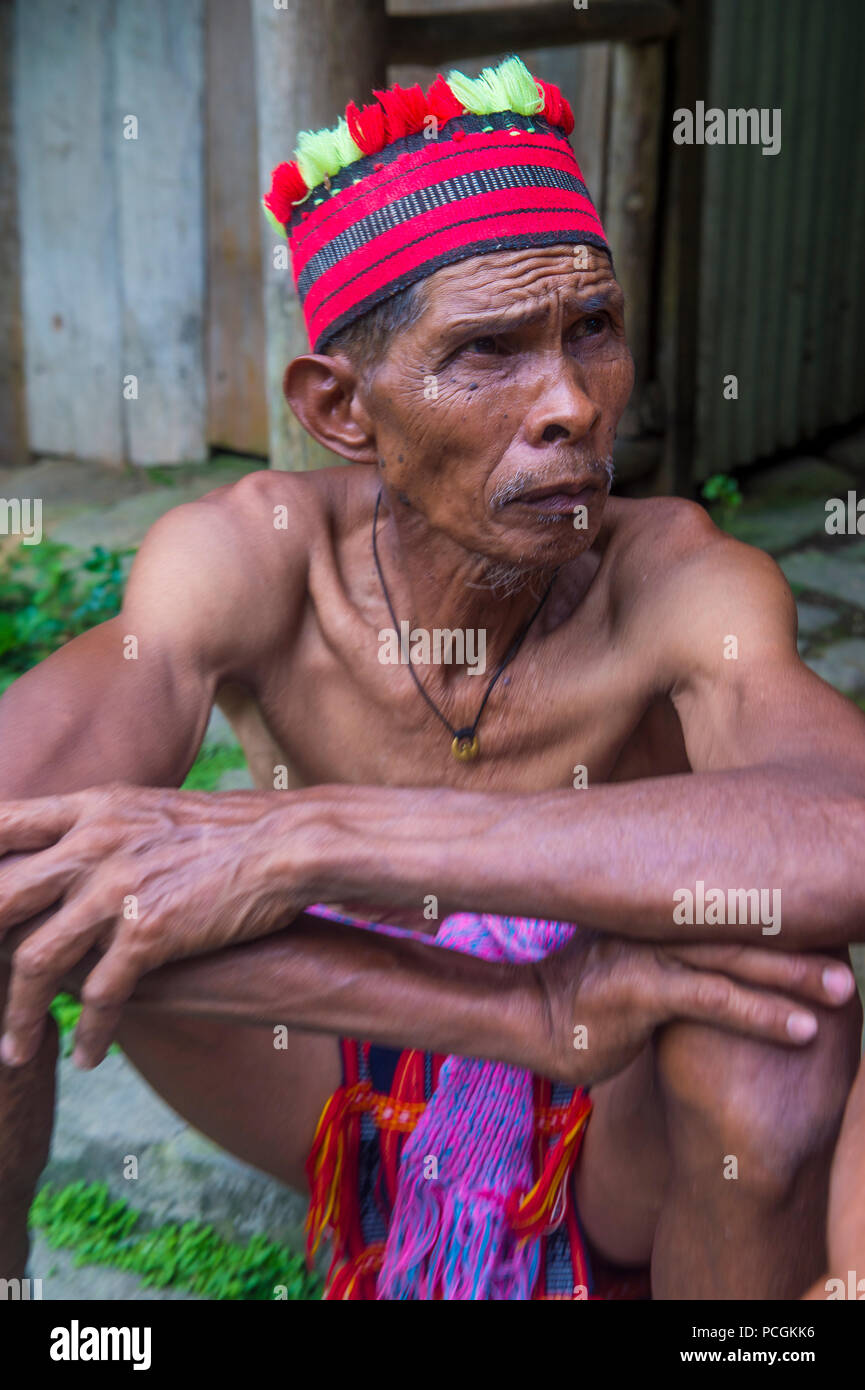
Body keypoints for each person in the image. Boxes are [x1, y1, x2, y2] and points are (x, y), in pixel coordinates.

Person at [0, 57, 863, 1300]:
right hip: (344, 1044)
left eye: (593, 332)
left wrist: (312, 835)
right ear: (340, 409)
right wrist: (519, 1008)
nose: (569, 402)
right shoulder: (251, 558)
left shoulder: (677, 576)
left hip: (611, 1101)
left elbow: (841, 831)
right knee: (39, 907)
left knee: (783, 1013)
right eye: (486, 354)